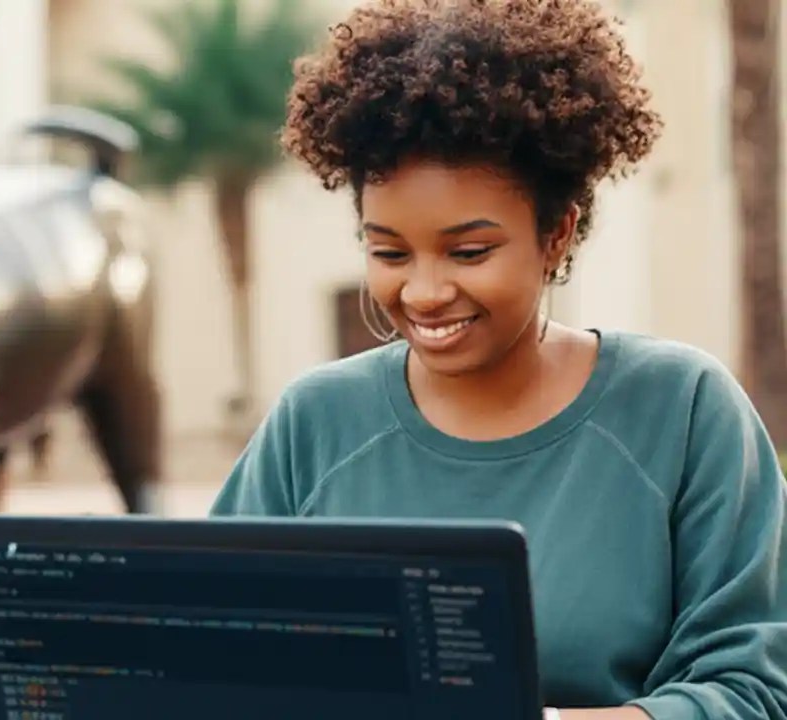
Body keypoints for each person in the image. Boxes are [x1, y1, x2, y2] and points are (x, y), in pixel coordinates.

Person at [209, 1, 787, 719]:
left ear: (556, 233)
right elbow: (214, 655)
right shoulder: (315, 421)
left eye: (469, 251)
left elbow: (756, 690)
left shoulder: (683, 410)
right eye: (388, 251)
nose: (422, 292)